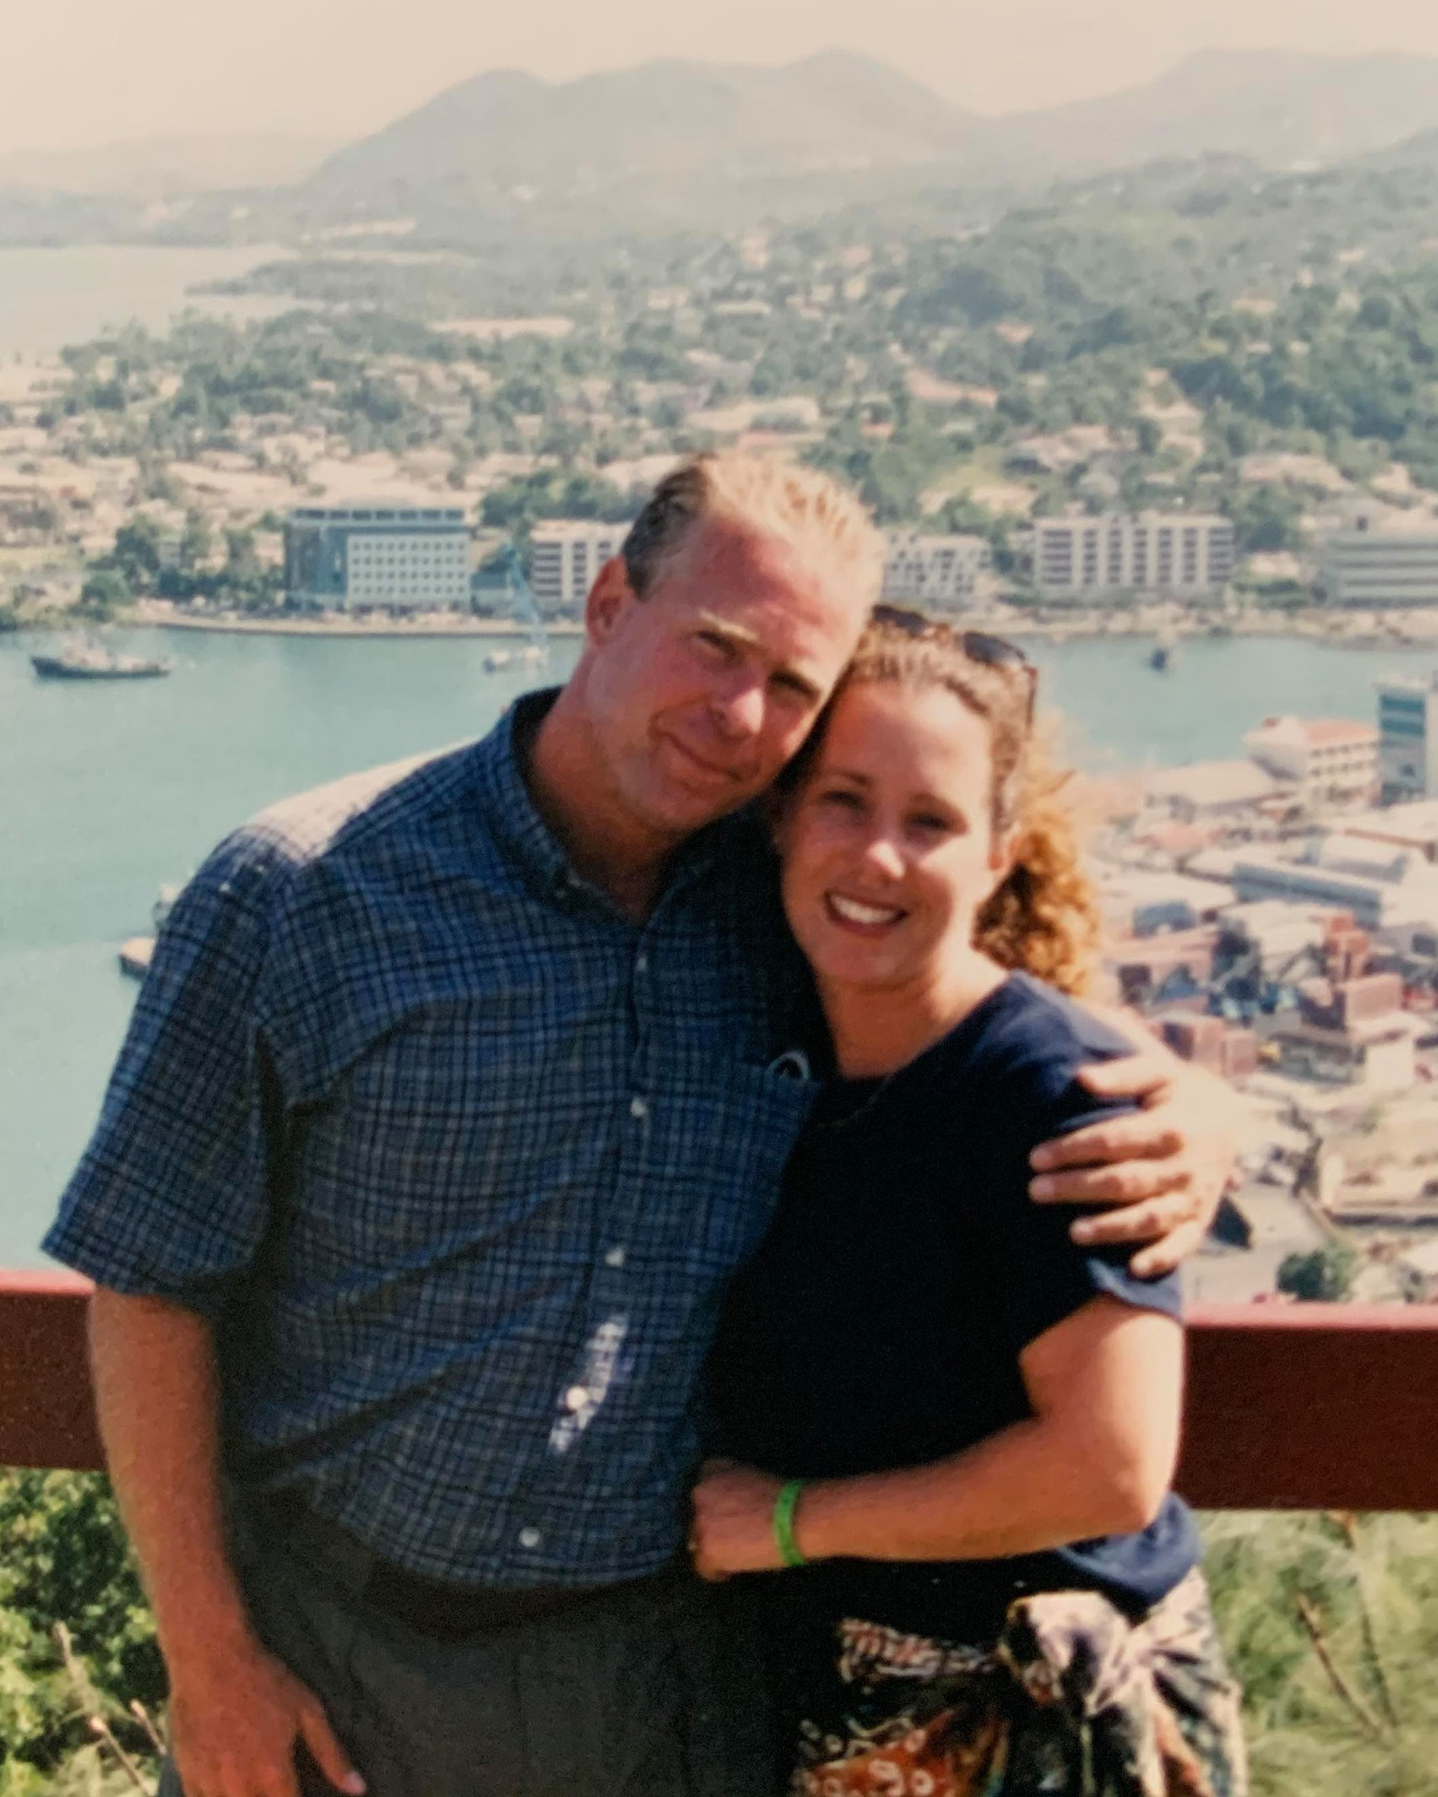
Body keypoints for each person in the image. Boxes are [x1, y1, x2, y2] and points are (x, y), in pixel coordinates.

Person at [45, 456, 1239, 1797]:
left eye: (792, 686)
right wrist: (208, 1664)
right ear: (608, 603)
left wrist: (1193, 1104)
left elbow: (980, 1007)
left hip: (671, 1678)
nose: (738, 714)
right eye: (713, 647)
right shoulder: (308, 891)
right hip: (343, 1659)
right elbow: (152, 1284)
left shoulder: (783, 898)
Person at [695, 608, 1247, 1795]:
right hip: (851, 1705)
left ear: (999, 853)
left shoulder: (1054, 1099)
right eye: (843, 799)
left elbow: (1108, 1468)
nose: (877, 857)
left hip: (1049, 1715)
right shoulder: (772, 1048)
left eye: (930, 822)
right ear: (781, 817)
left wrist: (791, 1520)